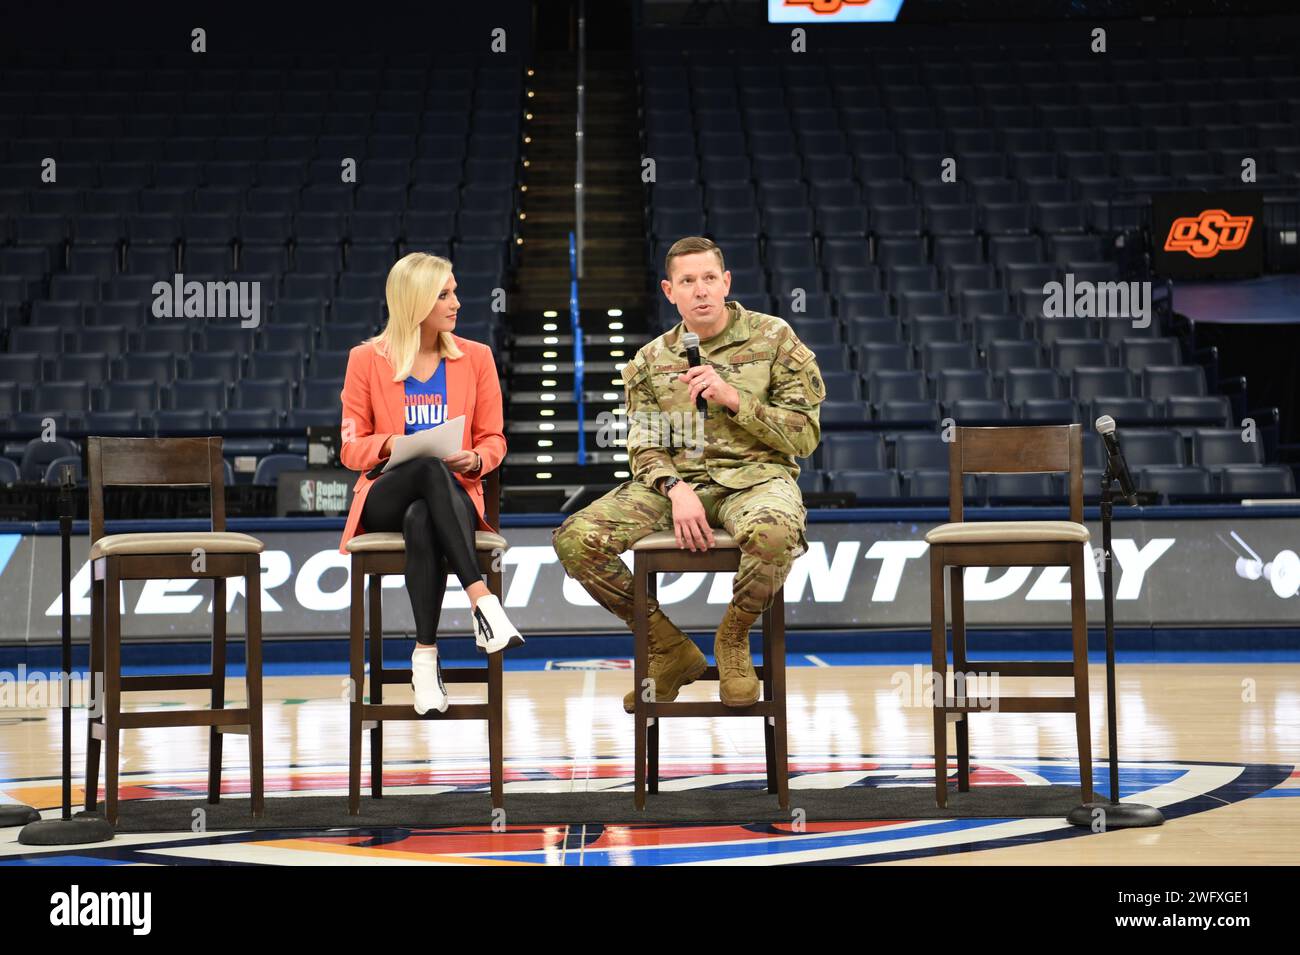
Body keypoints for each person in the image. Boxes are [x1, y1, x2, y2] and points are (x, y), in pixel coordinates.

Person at [553, 236, 825, 712]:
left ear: (726, 283)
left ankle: (734, 638)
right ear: (668, 290)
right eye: (687, 281)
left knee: (776, 532)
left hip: (756, 479)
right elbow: (646, 445)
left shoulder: (774, 337)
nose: (700, 291)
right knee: (577, 539)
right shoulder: (649, 361)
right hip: (677, 488)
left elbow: (804, 436)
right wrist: (675, 489)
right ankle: (669, 646)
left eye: (708, 279)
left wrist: (735, 399)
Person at [339, 252, 522, 715]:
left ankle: (424, 658)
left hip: (452, 496)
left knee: (423, 513)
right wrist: (392, 445)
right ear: (415, 301)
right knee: (423, 466)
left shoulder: (476, 358)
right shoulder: (366, 359)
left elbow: (494, 439)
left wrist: (477, 457)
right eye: (444, 294)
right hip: (384, 494)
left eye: (455, 291)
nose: (456, 302)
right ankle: (482, 602)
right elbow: (350, 449)